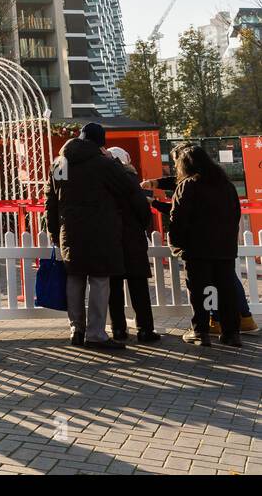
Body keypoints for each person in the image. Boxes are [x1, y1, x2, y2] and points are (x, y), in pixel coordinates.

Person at [47, 122, 147, 351]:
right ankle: (96, 333)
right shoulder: (103, 163)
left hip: (69, 228)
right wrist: (111, 160)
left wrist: (54, 229)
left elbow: (50, 200)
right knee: (100, 279)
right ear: (101, 143)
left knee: (75, 276)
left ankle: (76, 328)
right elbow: (126, 187)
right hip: (101, 228)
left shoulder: (59, 162)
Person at [147, 144, 243, 348]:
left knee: (199, 291)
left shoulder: (188, 184)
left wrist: (178, 244)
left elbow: (178, 217)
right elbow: (236, 214)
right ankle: (231, 333)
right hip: (225, 248)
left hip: (197, 248)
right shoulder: (225, 184)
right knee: (226, 291)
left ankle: (201, 332)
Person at [105, 147, 159, 343]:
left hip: (111, 239)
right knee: (139, 288)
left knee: (114, 288)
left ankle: (118, 329)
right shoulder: (131, 181)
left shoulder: (104, 182)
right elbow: (143, 211)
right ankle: (145, 329)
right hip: (133, 240)